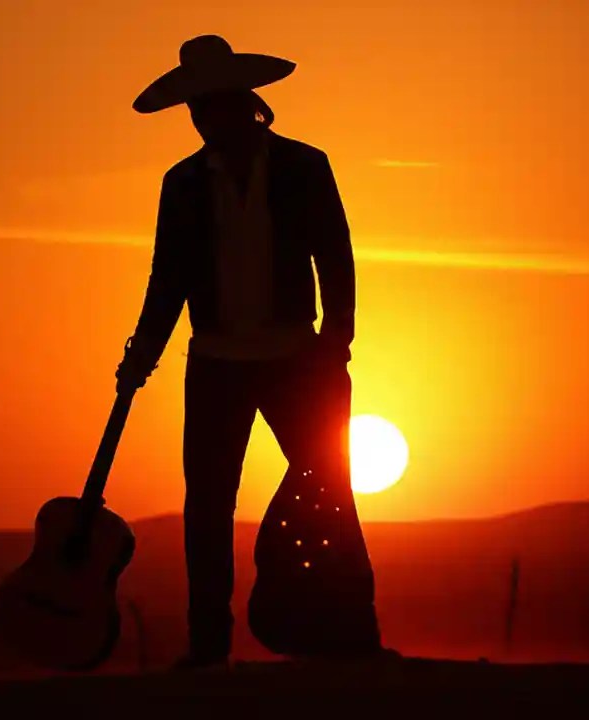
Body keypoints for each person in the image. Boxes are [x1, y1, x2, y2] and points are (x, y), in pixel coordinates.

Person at [116, 34, 386, 667]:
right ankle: (208, 645)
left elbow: (335, 256)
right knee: (208, 505)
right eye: (198, 109)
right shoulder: (181, 184)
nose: (207, 119)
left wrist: (336, 343)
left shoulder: (304, 166)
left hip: (298, 358)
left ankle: (355, 635)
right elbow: (168, 279)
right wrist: (142, 357)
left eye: (215, 105)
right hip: (214, 363)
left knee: (333, 494)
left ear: (245, 102)